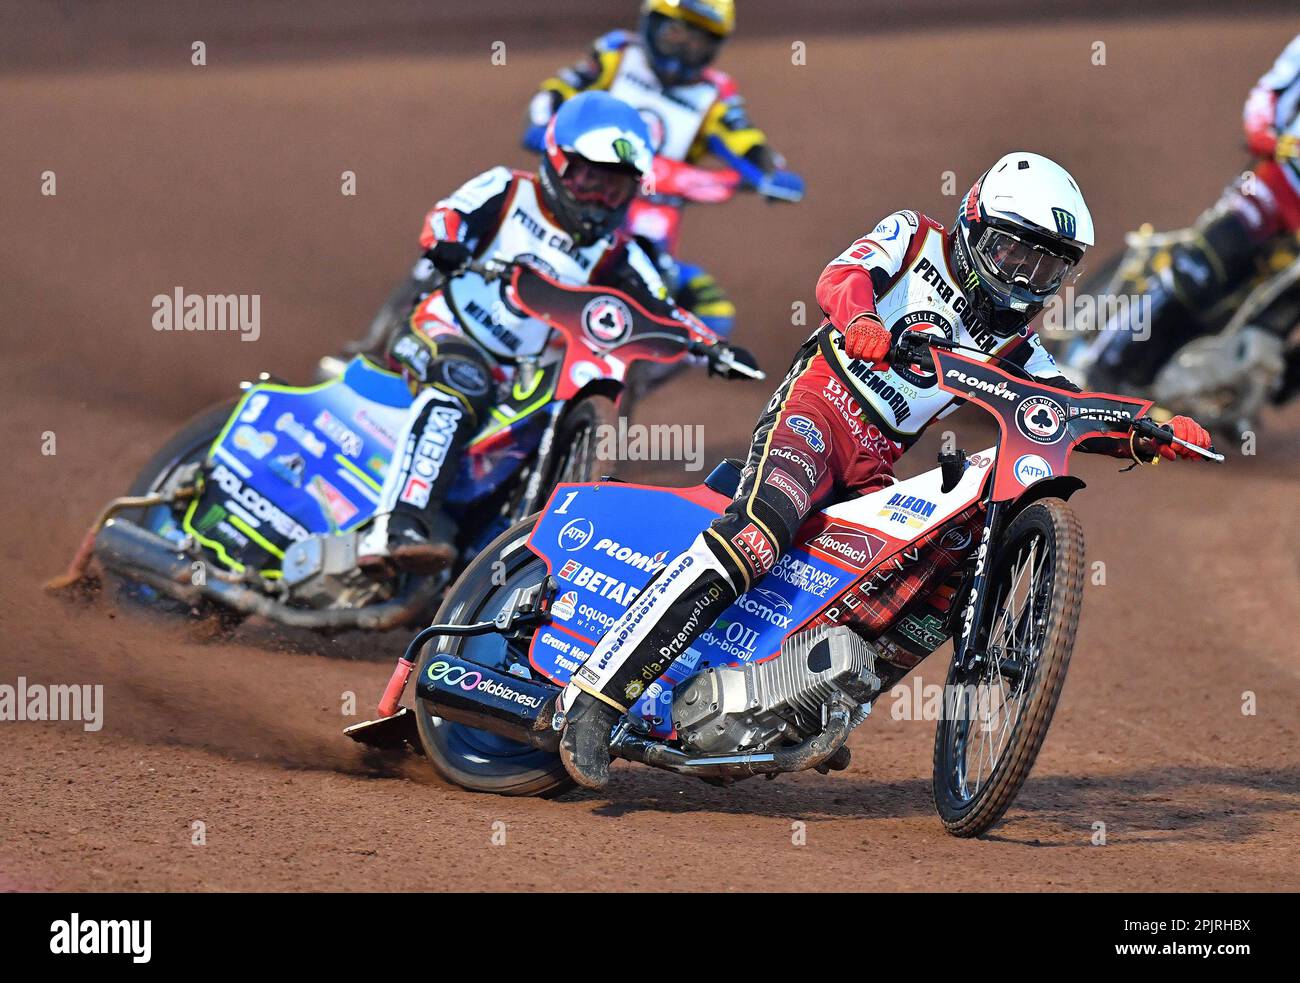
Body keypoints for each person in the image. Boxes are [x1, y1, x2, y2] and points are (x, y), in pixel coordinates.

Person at [554, 151, 1215, 789]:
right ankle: (598, 697)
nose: (1021, 278)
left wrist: (1149, 430)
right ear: (975, 223)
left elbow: (1063, 408)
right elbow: (840, 277)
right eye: (1013, 253)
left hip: (874, 463)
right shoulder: (912, 237)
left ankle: (804, 704)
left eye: (1045, 268)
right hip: (817, 410)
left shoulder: (1018, 345)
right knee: (759, 534)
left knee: (921, 562)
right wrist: (863, 317)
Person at [363, 91, 749, 573]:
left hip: (520, 374)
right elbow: (448, 216)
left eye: (614, 189)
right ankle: (394, 528)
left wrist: (711, 346)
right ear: (557, 160)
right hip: (442, 329)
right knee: (460, 385)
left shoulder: (619, 253)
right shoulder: (506, 189)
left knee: (534, 421)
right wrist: (446, 244)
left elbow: (662, 306)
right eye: (589, 180)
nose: (597, 200)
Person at [521, 0, 804, 343]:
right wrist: (544, 124)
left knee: (714, 316)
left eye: (699, 41)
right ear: (651, 23)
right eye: (676, 33)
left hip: (651, 235)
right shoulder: (617, 55)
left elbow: (741, 136)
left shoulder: (714, 94)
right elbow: (558, 91)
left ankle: (635, 384)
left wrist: (768, 170)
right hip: (577, 204)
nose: (686, 48)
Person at [1090, 34, 1300, 396]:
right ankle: (1106, 366)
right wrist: (1264, 134)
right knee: (1202, 269)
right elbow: (1270, 93)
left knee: (1268, 306)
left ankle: (1260, 385)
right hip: (1277, 184)